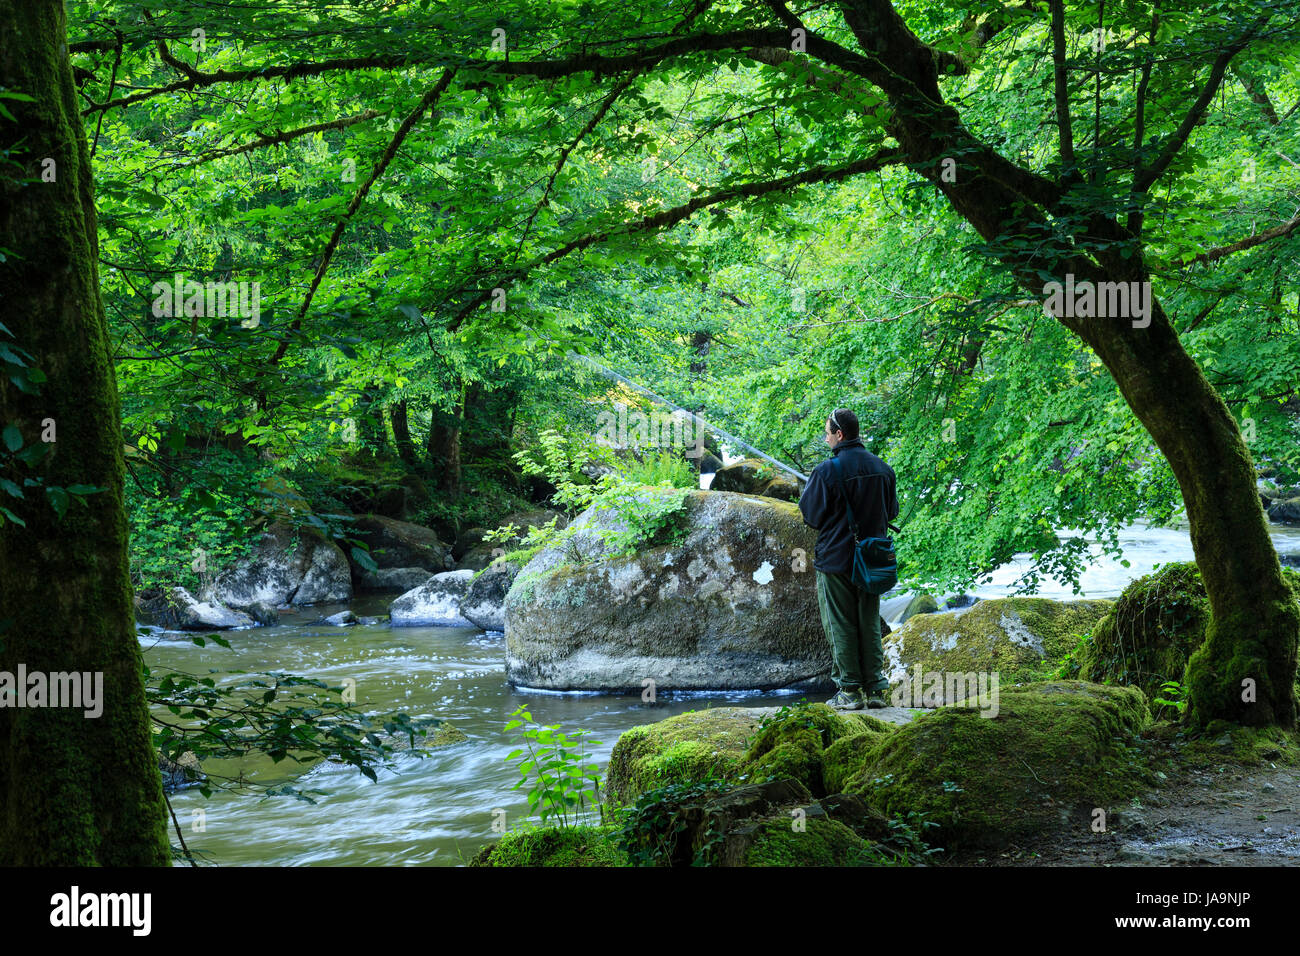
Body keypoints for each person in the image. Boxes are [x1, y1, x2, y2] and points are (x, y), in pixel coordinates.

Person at [797, 408, 899, 710]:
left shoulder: (826, 472)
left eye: (827, 432)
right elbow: (890, 512)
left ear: (839, 434)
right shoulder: (883, 469)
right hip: (872, 559)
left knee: (840, 623)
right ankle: (877, 690)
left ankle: (850, 691)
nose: (826, 437)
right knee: (868, 622)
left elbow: (811, 517)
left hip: (837, 560)